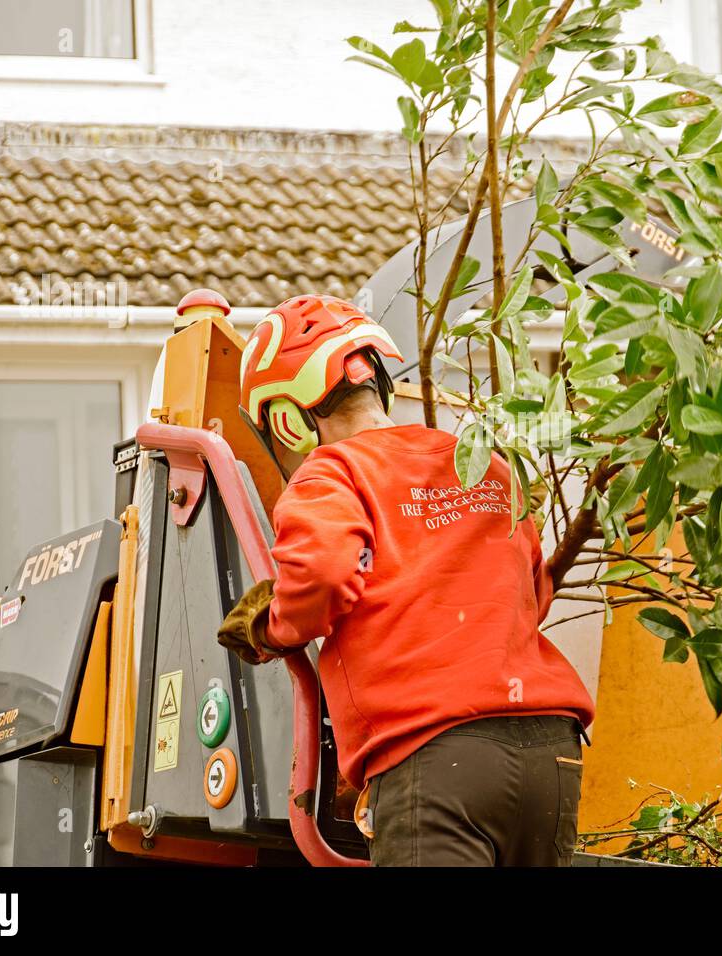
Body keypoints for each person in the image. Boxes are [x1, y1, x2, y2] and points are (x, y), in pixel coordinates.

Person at [218, 294, 595, 866]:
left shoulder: (333, 471)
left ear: (286, 420)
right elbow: (530, 591)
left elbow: (322, 573)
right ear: (382, 384)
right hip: (552, 752)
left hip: (439, 760)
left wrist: (272, 627)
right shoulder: (479, 462)